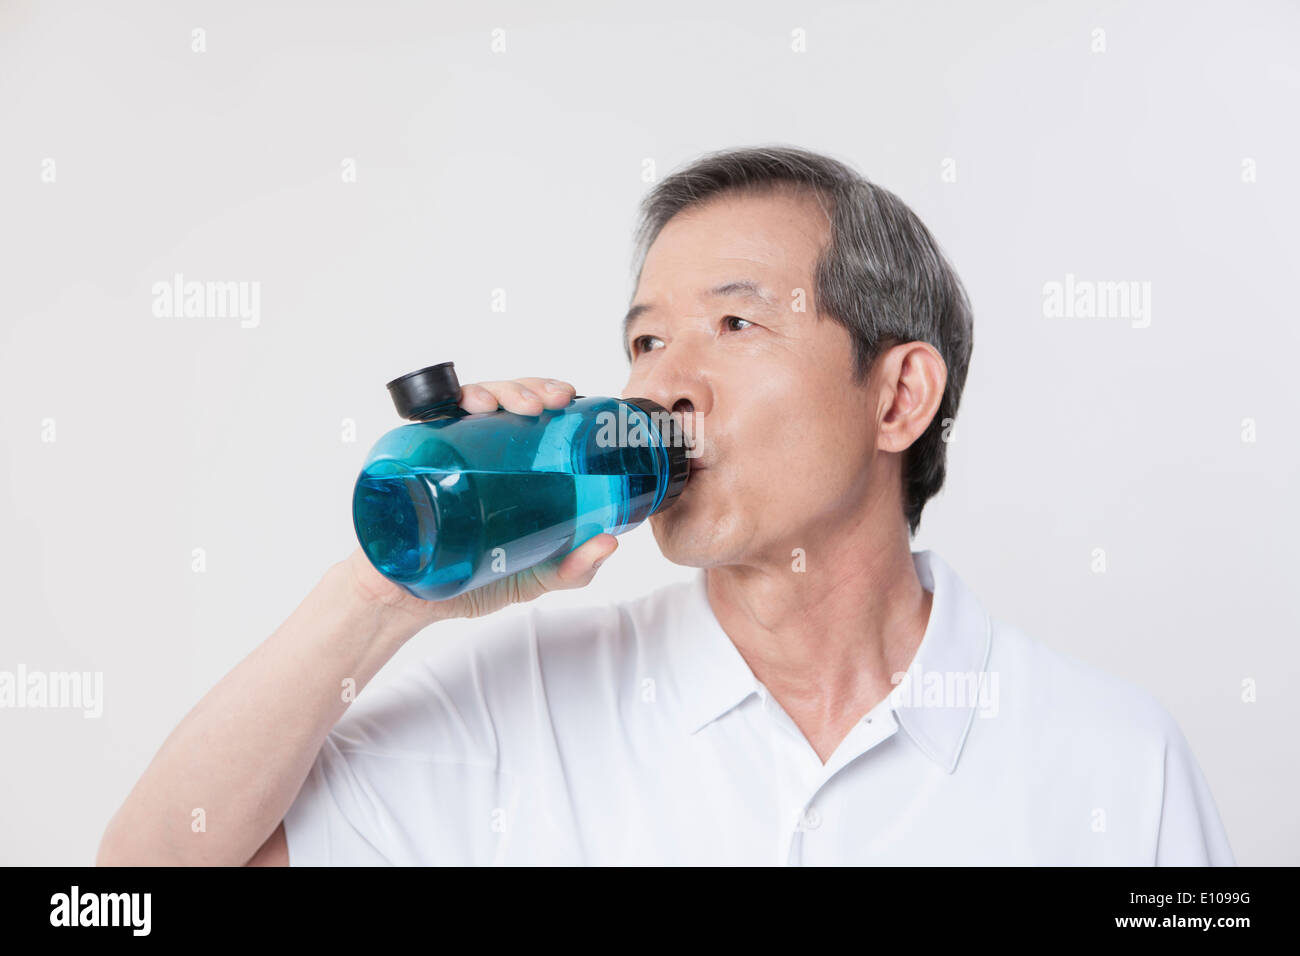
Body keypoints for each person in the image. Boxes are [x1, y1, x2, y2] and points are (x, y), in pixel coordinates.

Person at [96, 146, 1234, 866]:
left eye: (735, 324)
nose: (657, 382)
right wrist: (386, 596)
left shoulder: (1111, 759)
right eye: (644, 339)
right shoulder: (522, 712)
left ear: (898, 395)